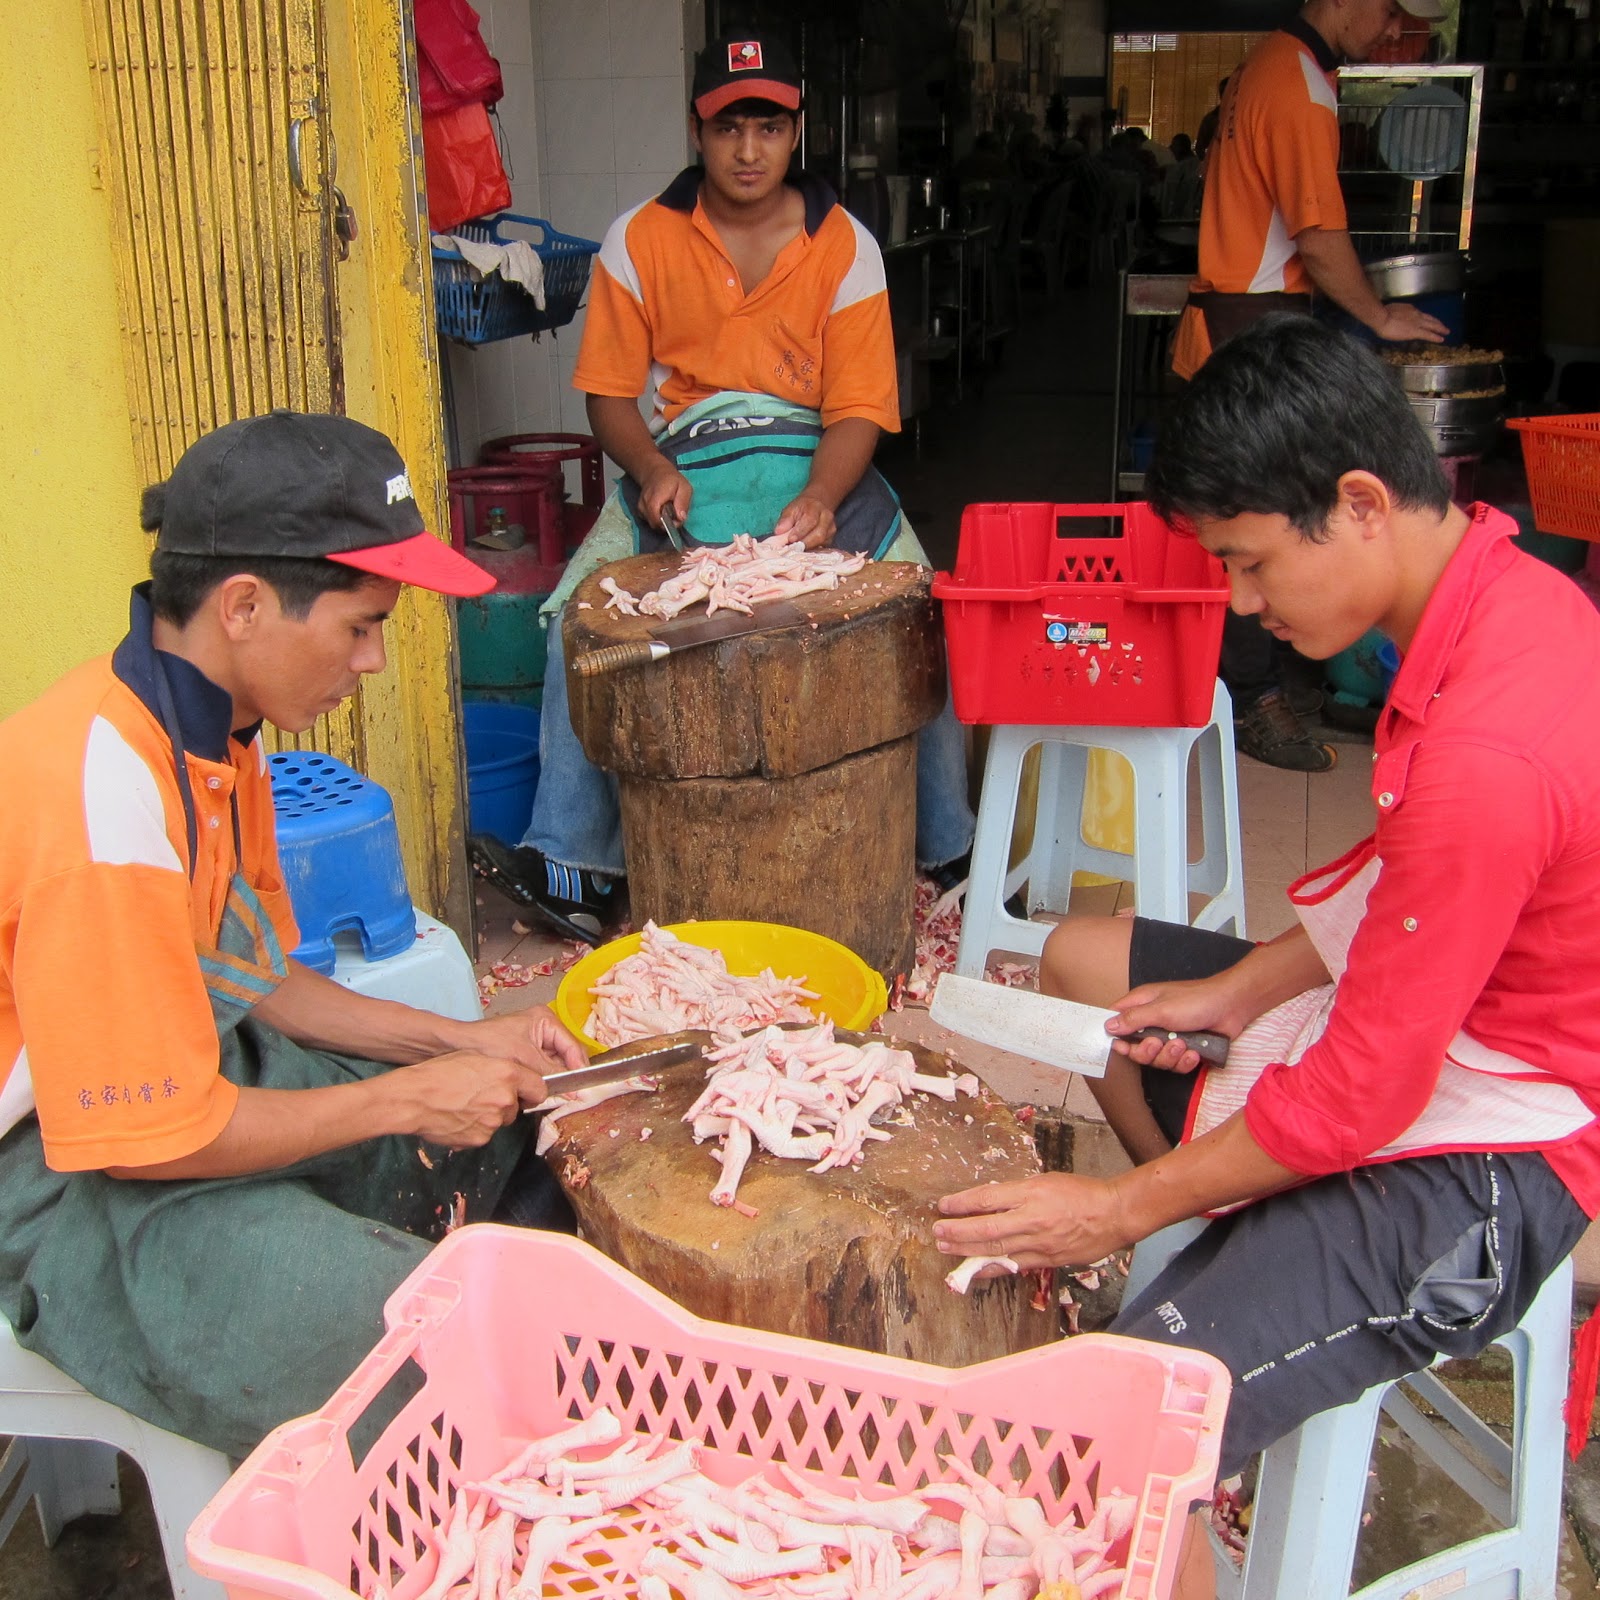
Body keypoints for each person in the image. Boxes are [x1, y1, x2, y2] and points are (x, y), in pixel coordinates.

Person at [934, 316, 1600, 1600]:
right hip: (1439, 1022)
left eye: (1245, 564)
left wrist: (1121, 1208)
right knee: (1087, 962)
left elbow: (1363, 1094)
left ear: (1356, 504)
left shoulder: (1492, 749)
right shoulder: (1507, 591)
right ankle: (1222, 1268)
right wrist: (1233, 990)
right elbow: (1415, 896)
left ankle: (1191, 1356)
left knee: (1108, 1429)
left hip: (1503, 1155)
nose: (1239, 603)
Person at [0, 411, 590, 1459]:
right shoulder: (99, 788)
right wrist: (403, 1095)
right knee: (422, 1339)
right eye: (358, 626)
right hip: (50, 1173)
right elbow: (158, 1137)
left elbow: (258, 982)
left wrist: (461, 1042)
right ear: (243, 605)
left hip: (170, 1077)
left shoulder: (218, 734)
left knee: (524, 1150)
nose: (370, 661)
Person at [469, 33, 975, 942]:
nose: (750, 149)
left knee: (923, 614)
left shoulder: (845, 246)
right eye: (730, 126)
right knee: (576, 624)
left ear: (798, 131)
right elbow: (610, 398)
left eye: (770, 126)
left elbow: (859, 407)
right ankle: (574, 862)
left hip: (820, 464)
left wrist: (823, 495)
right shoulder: (640, 238)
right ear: (696, 129)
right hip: (685, 466)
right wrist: (653, 467)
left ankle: (947, 845)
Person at [1172, 0, 1451, 774]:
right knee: (1258, 526)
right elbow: (1319, 236)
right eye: (1389, 10)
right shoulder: (1294, 84)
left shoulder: (1276, 67)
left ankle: (1256, 685)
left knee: (1257, 521)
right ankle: (1253, 697)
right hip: (1247, 324)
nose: (1395, 30)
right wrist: (1377, 315)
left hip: (1243, 321)